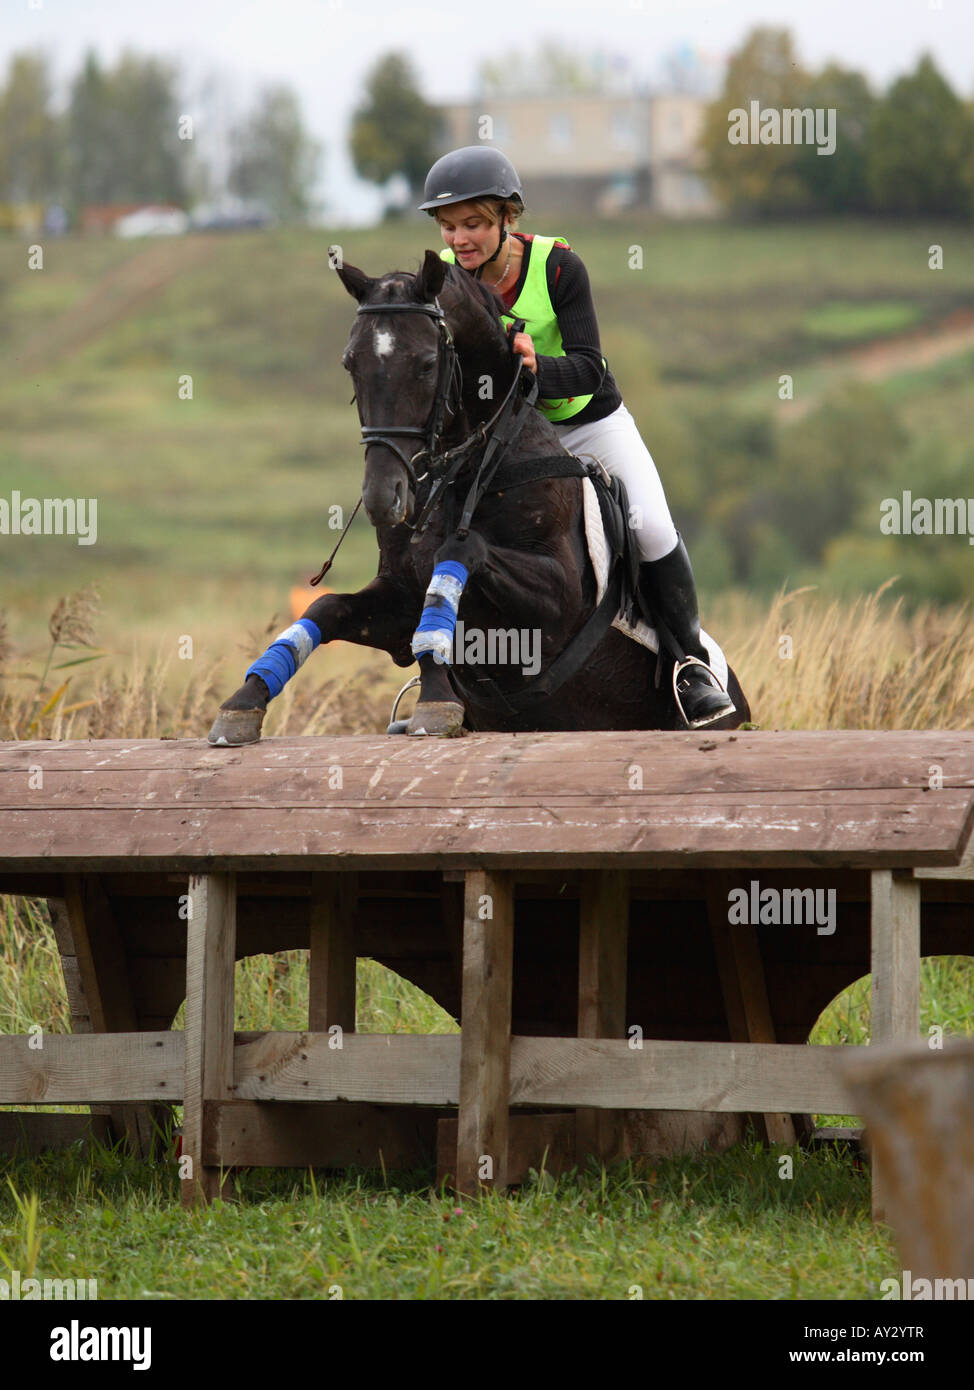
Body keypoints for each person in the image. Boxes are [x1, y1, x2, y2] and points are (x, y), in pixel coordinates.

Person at [418, 145, 734, 727]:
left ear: (508, 219)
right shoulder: (443, 282)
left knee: (650, 526)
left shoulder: (560, 268)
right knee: (453, 531)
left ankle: (688, 664)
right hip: (505, 442)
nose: (460, 240)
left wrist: (535, 366)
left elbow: (590, 365)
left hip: (587, 425)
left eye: (474, 225)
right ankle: (440, 676)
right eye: (449, 226)